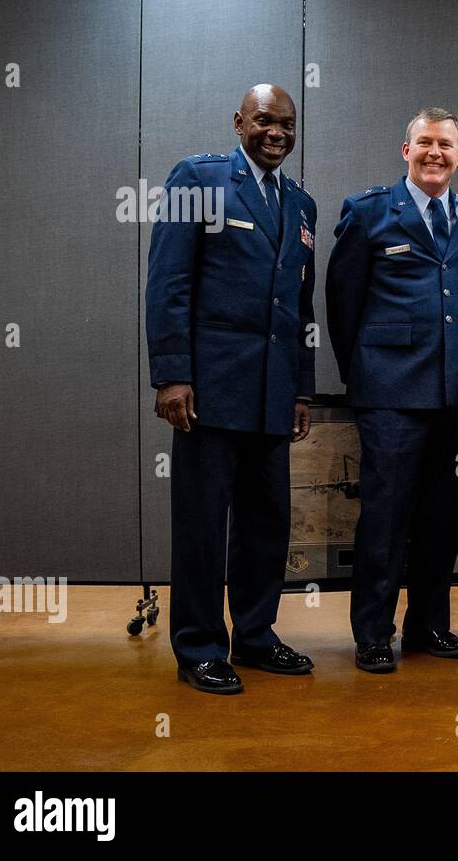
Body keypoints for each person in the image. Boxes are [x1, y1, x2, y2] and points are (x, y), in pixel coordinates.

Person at [146, 83, 317, 695]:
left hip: (273, 392)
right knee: (201, 523)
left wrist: (302, 389)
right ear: (239, 121)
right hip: (209, 390)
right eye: (265, 121)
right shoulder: (199, 179)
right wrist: (171, 374)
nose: (276, 133)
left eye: (287, 125)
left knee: (266, 523)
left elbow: (300, 307)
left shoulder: (302, 204)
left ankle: (255, 633)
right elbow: (168, 283)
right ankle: (197, 645)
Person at [326, 106, 458, 673]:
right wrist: (365, 374)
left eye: (446, 145)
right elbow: (342, 303)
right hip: (391, 391)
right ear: (406, 150)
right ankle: (373, 632)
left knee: (443, 517)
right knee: (386, 515)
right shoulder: (369, 211)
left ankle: (428, 626)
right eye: (425, 143)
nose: (435, 154)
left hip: (456, 394)